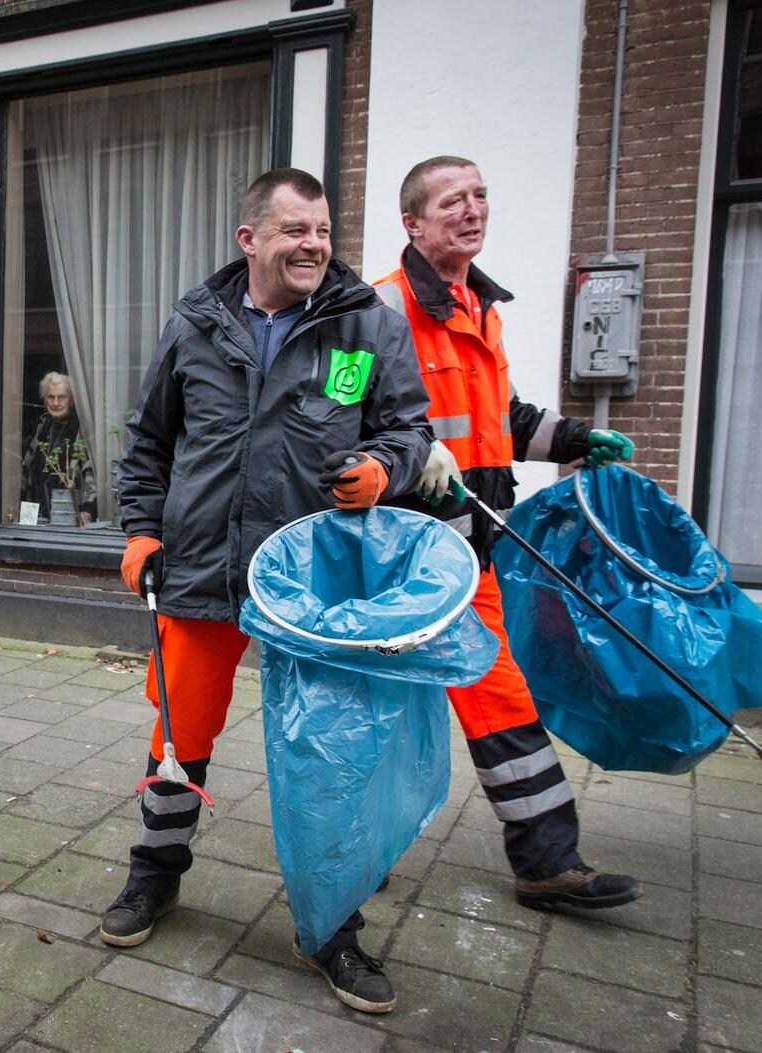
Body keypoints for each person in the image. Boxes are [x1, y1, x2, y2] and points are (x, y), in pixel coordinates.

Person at [108, 167, 433, 1014]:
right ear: (249, 238)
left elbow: (407, 428)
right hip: (203, 567)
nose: (313, 245)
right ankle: (156, 874)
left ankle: (332, 925)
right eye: (294, 230)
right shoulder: (193, 327)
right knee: (180, 730)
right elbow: (148, 442)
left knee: (327, 749)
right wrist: (142, 530)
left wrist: (381, 468)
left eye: (321, 230)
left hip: (313, 583)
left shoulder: (365, 325)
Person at [374, 155, 640, 912]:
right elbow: (332, 409)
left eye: (481, 195)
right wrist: (405, 444)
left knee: (499, 696)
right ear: (413, 223)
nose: (473, 209)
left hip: (472, 549)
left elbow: (505, 423)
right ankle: (368, 847)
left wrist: (579, 439)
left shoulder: (480, 310)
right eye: (452, 200)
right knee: (394, 708)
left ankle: (548, 860)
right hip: (407, 552)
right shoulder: (381, 308)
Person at [20, 372, 98, 525]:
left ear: (72, 400)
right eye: (51, 397)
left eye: (62, 397)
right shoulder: (42, 426)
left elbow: (90, 475)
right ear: (44, 399)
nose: (56, 403)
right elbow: (26, 468)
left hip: (70, 515)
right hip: (39, 514)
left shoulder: (79, 429)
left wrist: (88, 508)